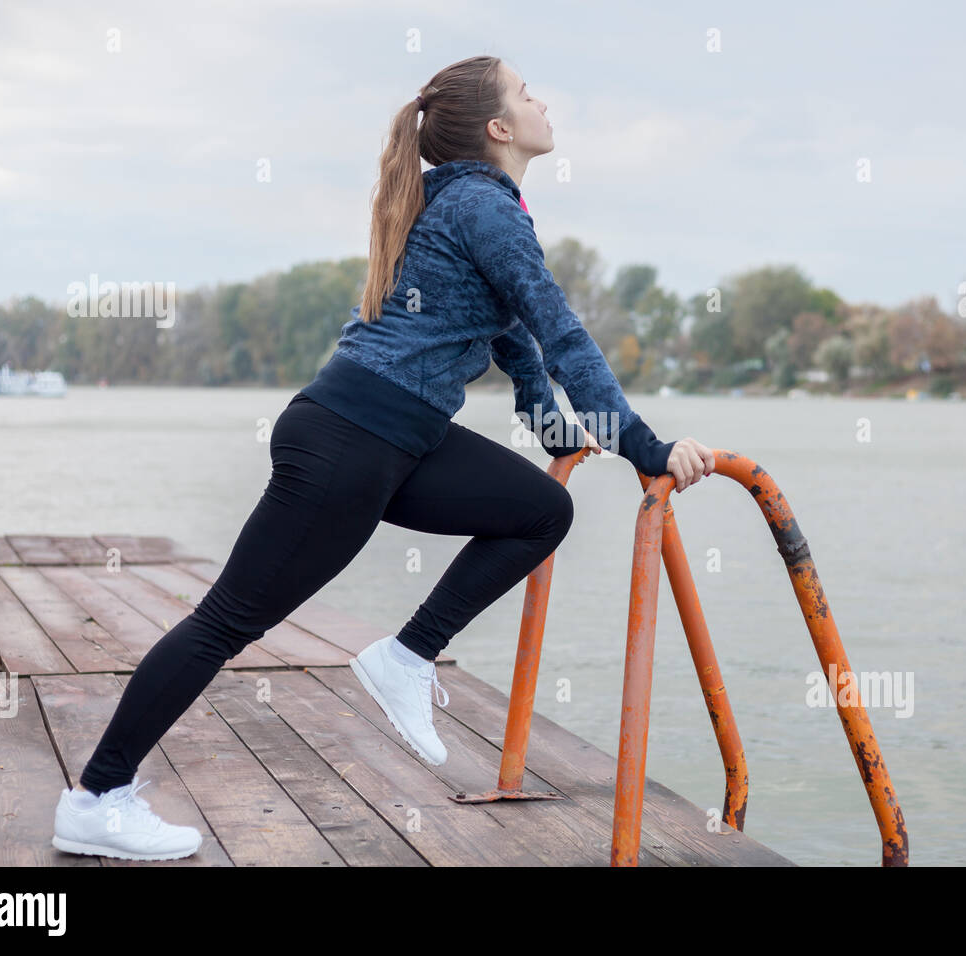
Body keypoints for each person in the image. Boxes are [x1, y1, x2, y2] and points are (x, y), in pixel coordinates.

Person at [51, 54, 716, 861]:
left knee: (541, 509)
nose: (543, 100)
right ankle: (96, 796)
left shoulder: (468, 203)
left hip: (393, 437)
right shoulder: (482, 206)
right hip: (352, 440)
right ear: (500, 129)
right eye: (526, 92)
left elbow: (514, 333)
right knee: (226, 621)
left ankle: (405, 657)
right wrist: (645, 446)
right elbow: (561, 328)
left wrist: (549, 425)